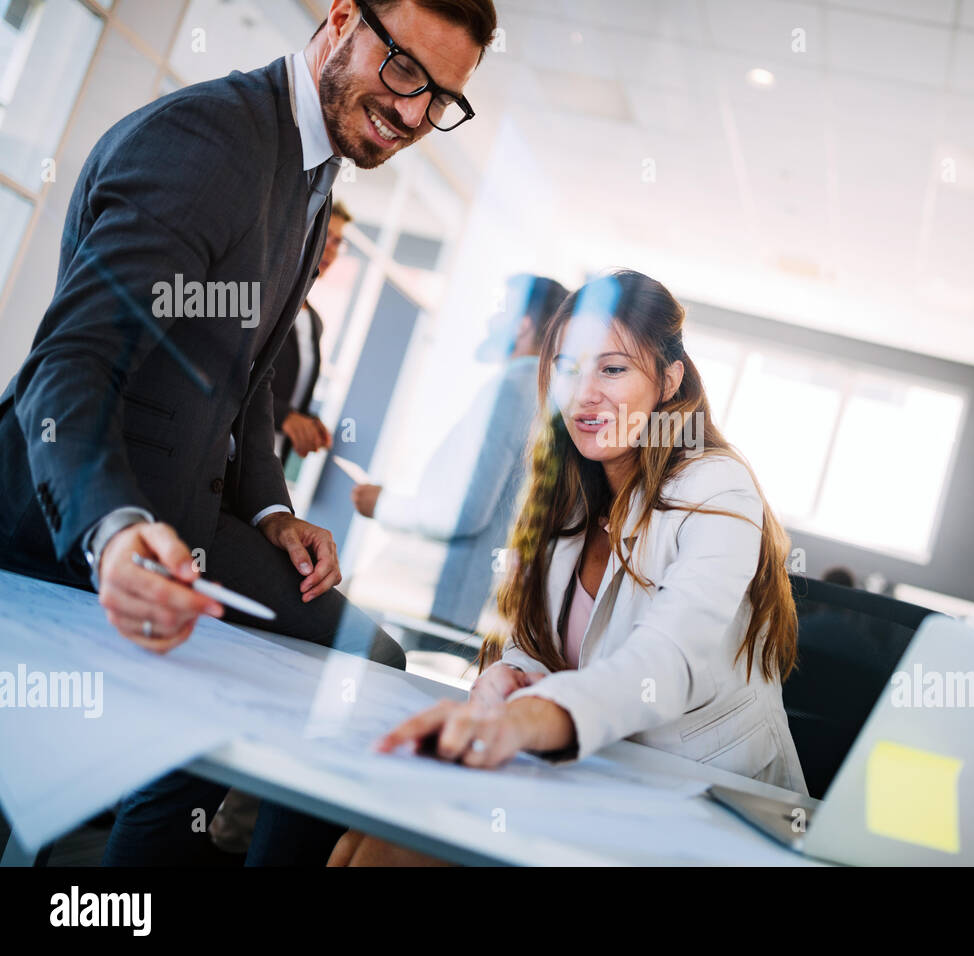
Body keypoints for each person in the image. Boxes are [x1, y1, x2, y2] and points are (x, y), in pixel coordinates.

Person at [0, 0, 497, 865]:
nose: (415, 113)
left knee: (366, 664)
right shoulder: (207, 143)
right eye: (406, 68)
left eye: (442, 98)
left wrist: (271, 513)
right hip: (66, 515)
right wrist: (112, 534)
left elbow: (251, 376)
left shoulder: (313, 166)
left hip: (188, 512)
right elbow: (68, 368)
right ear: (342, 17)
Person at [329, 270, 807, 866]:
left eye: (612, 369)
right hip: (601, 771)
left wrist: (528, 722)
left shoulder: (716, 488)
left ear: (669, 379)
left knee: (393, 852)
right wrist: (508, 677)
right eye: (568, 367)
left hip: (703, 804)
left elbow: (669, 660)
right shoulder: (573, 494)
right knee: (361, 834)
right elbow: (542, 645)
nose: (584, 394)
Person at [350, 274, 569, 634]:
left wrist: (384, 504)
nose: (489, 321)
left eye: (500, 310)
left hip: (449, 601)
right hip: (469, 599)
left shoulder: (513, 390)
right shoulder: (542, 393)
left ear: (523, 326)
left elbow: (465, 512)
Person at [273, 201, 354, 463]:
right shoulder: (269, 297)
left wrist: (307, 421)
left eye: (338, 241)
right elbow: (233, 377)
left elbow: (288, 390)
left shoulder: (315, 321)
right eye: (327, 235)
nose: (331, 247)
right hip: (229, 451)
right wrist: (284, 416)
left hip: (271, 459)